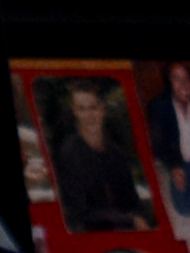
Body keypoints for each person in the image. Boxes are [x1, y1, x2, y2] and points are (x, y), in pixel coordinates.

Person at [45, 80, 153, 234]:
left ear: (103, 109)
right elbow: (80, 213)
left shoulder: (117, 154)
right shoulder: (69, 153)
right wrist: (129, 220)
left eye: (93, 108)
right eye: (82, 109)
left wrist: (137, 219)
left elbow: (133, 201)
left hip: (127, 230)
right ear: (75, 112)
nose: (89, 115)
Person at [143, 62, 190, 228]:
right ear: (168, 82)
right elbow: (158, 145)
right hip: (181, 163)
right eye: (176, 79)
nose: (183, 84)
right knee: (184, 210)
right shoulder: (158, 107)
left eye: (186, 78)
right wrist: (174, 168)